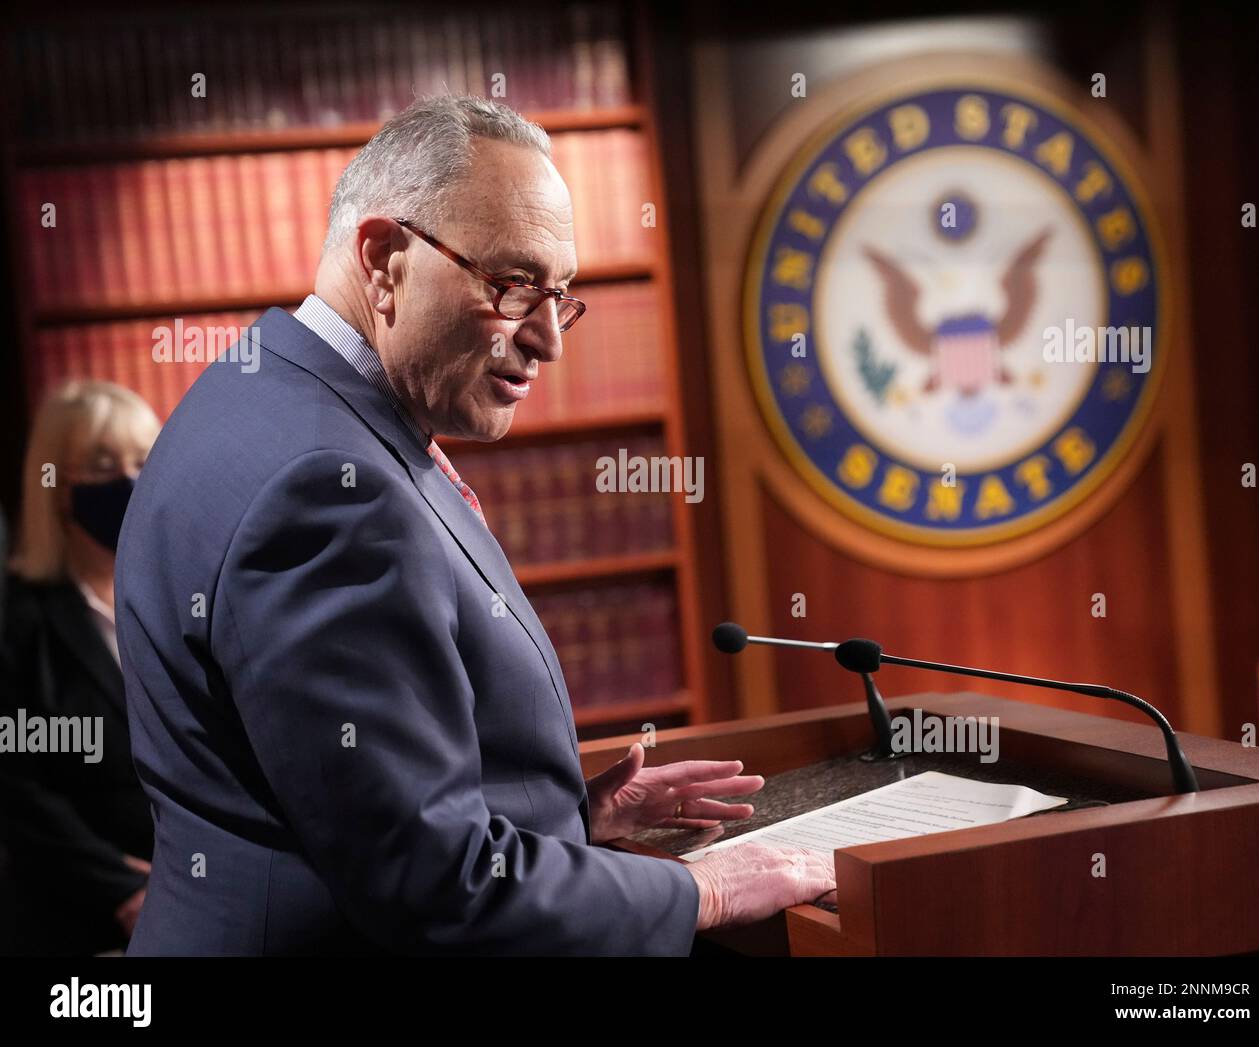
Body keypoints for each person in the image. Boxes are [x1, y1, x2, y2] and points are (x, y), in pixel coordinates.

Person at [115, 95, 836, 956]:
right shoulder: (329, 491)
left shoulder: (249, 389)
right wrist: (698, 889)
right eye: (512, 285)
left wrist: (567, 816)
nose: (547, 340)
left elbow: (337, 799)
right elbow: (434, 888)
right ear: (383, 259)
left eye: (559, 294)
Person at [1, 380, 160, 955]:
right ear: (55, 487)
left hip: (202, 897)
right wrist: (120, 886)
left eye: (142, 461)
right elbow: (17, 787)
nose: (127, 480)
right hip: (77, 921)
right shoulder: (19, 621)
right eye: (100, 466)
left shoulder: (181, 594)